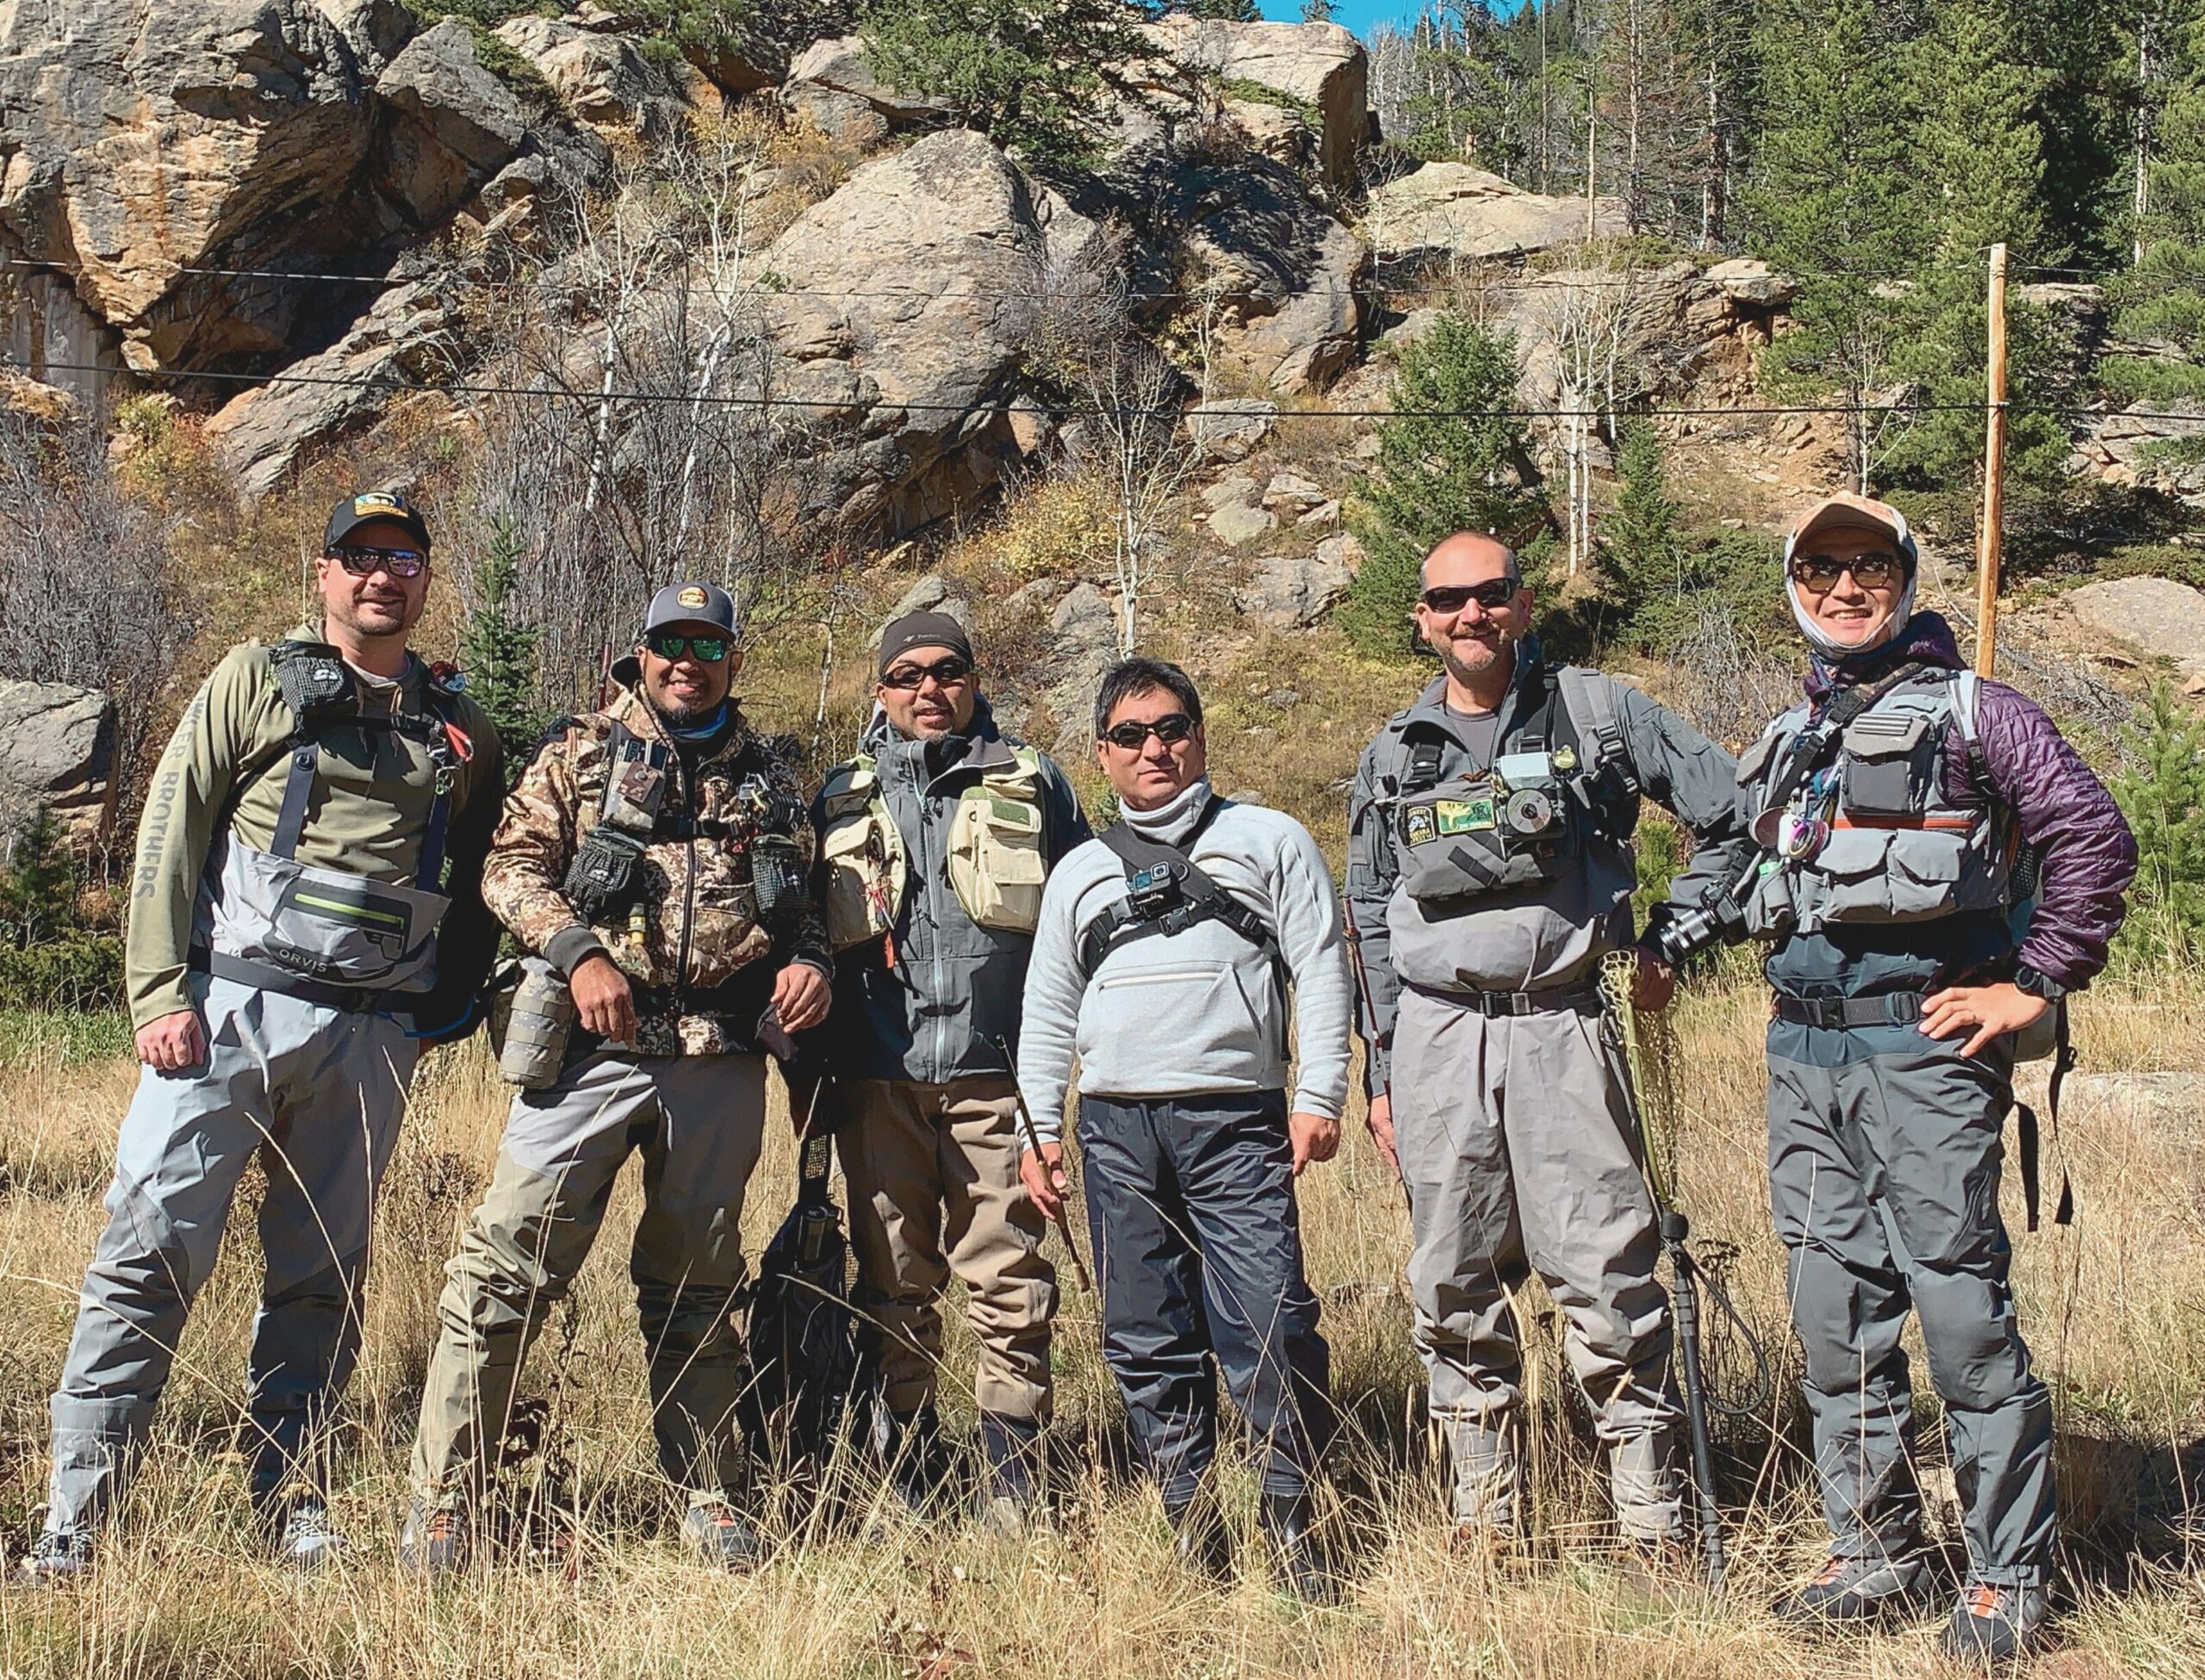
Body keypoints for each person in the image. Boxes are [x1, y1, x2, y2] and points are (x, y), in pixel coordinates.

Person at [18, 491, 504, 1579]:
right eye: (359, 555)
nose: (381, 576)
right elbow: (172, 823)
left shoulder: (463, 727)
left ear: (426, 580)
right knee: (146, 1255)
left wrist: (445, 1008)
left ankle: (295, 1504)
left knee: (322, 1276)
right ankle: (77, 1521)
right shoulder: (253, 679)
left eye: (404, 559)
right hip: (225, 1016)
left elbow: (483, 867)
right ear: (323, 572)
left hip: (372, 1038)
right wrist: (158, 994)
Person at [1702, 493, 2134, 1658]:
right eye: (1820, 567)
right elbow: (1746, 871)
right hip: (1803, 1055)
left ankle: (2007, 1574)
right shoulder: (1789, 734)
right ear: (1793, 584)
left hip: (1926, 1054)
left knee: (1958, 1313)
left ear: (1905, 576)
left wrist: (2032, 984)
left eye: (1869, 565)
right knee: (1832, 1311)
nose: (1845, 587)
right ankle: (1876, 1549)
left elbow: (2093, 837)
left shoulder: (1980, 712)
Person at [399, 581, 831, 1575]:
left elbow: (805, 904)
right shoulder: (580, 753)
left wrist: (810, 960)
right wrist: (579, 951)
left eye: (709, 646)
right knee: (504, 1270)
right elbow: (507, 870)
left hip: (719, 1059)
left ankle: (709, 1492)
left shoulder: (771, 775)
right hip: (591, 1055)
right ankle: (446, 1498)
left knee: (699, 1287)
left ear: (733, 659)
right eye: (671, 644)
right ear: (641, 654)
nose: (689, 662)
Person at [1345, 530, 1748, 1559]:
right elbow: (1367, 913)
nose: (1470, 614)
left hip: (1565, 1025)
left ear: (1523, 606)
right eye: (1449, 600)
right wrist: (1381, 1070)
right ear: (1422, 619)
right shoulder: (1393, 754)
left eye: (1490, 594)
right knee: (1453, 1281)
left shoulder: (1599, 715)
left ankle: (1651, 1523)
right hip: (1436, 1041)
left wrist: (1672, 936)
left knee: (1607, 1271)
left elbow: (1738, 816)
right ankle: (1484, 1523)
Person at [1016, 657, 1351, 1598]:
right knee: (1144, 1332)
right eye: (1130, 735)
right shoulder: (1079, 870)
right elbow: (1048, 1007)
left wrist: (1320, 1094)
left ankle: (1293, 1521)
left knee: (1270, 1320)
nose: (1153, 748)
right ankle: (1192, 1521)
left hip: (1237, 1119)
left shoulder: (1270, 839)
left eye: (1170, 728)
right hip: (1114, 1128)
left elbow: (1321, 966)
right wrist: (1040, 1128)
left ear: (1199, 736)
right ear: (1102, 754)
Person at [811, 611, 1089, 1535]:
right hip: (877, 1076)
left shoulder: (1033, 781)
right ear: (880, 690)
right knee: (893, 1275)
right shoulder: (839, 793)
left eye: (947, 670)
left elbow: (1084, 917)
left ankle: (1013, 1475)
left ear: (973, 680)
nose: (929, 689)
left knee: (1009, 1277)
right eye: (907, 675)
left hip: (997, 1076)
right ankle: (910, 1463)